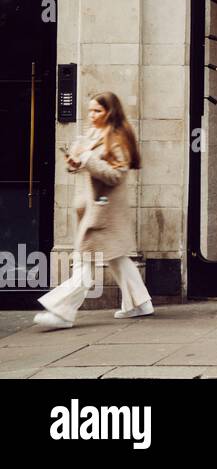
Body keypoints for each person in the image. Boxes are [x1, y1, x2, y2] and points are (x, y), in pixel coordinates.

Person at [33, 92, 152, 329]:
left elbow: (115, 175)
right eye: (90, 110)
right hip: (95, 209)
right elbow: (87, 165)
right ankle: (140, 303)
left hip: (103, 213)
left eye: (97, 111)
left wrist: (87, 159)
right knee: (118, 258)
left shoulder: (118, 138)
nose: (92, 115)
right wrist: (75, 163)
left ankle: (62, 312)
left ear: (110, 112)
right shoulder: (93, 134)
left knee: (82, 263)